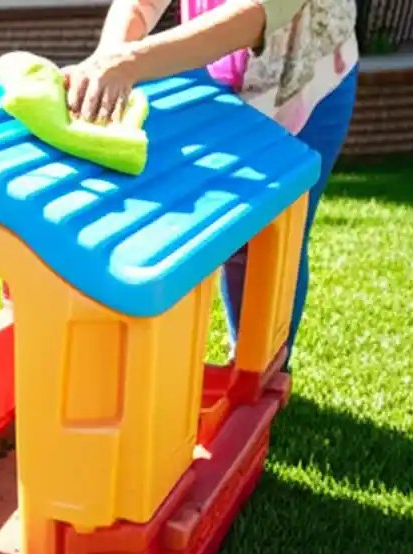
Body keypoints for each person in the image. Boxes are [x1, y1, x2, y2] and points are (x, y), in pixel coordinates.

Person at [65, 0, 359, 369]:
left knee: (277, 237)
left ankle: (262, 371)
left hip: (306, 80)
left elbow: (260, 11)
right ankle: (207, 369)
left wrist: (131, 62)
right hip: (215, 75)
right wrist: (109, 57)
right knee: (218, 235)